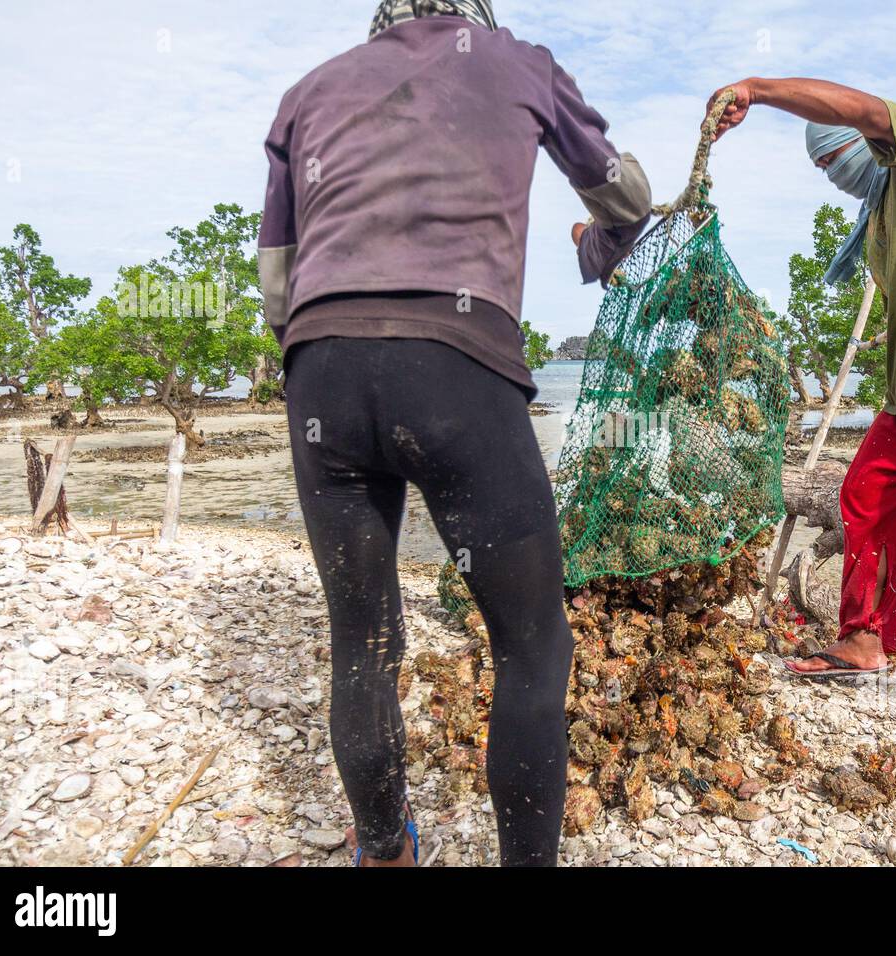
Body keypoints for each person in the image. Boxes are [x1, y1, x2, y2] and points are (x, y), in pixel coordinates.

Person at [258, 0, 652, 866]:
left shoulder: (306, 92)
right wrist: (622, 210)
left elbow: (278, 286)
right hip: (456, 363)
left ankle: (385, 852)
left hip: (320, 369)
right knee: (533, 644)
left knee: (363, 636)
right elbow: (622, 192)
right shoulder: (521, 61)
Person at [706, 78, 896, 735]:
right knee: (866, 498)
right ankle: (866, 639)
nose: (832, 175)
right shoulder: (878, 218)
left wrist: (759, 91)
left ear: (867, 143)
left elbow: (866, 110)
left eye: (833, 158)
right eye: (820, 170)